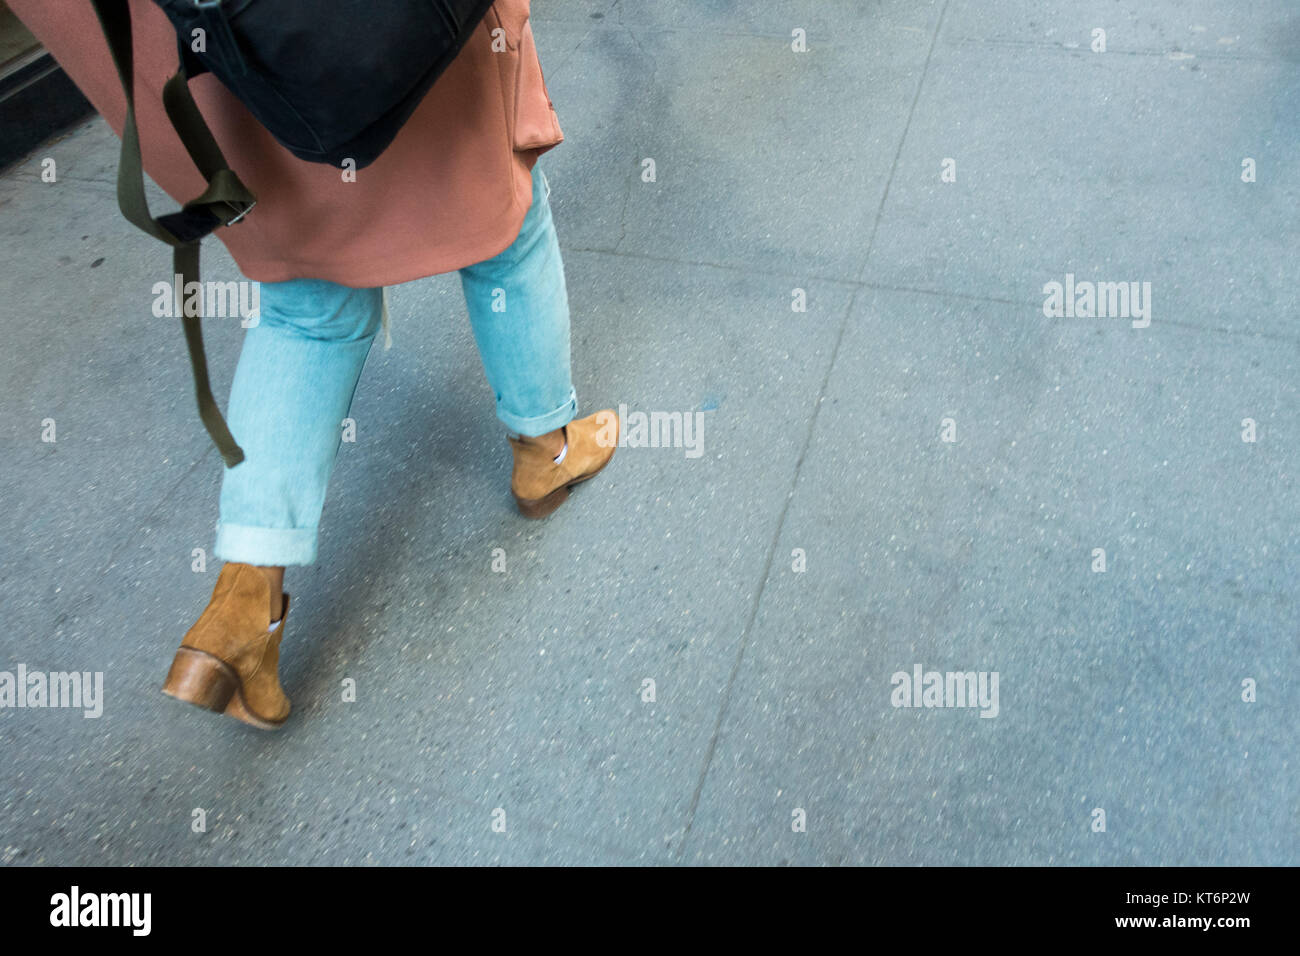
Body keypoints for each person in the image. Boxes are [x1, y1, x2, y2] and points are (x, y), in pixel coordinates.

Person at [11, 0, 618, 729]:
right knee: (502, 209)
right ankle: (544, 446)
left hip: (180, 51)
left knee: (308, 303)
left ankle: (241, 606)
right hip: (355, 29)